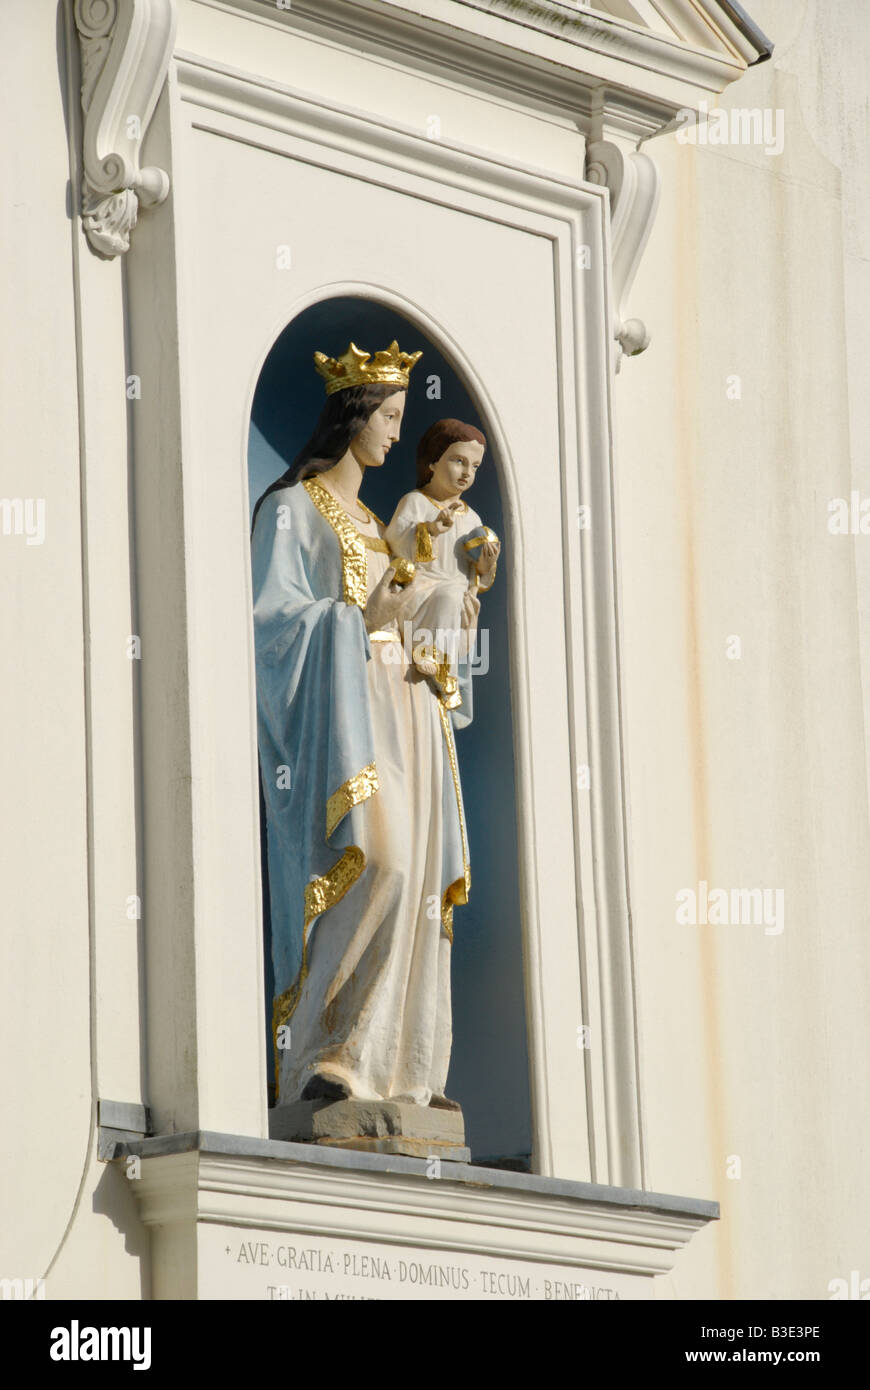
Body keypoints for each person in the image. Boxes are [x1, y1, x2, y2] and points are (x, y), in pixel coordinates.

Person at [251, 342, 479, 1111]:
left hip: (403, 710)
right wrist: (361, 615)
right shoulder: (291, 509)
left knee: (412, 877)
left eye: (398, 420)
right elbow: (273, 623)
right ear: (352, 417)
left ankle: (396, 1071)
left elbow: (413, 623)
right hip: (342, 718)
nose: (392, 436)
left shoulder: (384, 525)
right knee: (375, 860)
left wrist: (453, 599)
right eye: (386, 418)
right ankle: (319, 1055)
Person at [384, 419, 500, 710]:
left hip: (458, 600)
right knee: (448, 595)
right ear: (433, 462)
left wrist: (485, 566)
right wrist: (431, 530)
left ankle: (445, 668)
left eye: (474, 466)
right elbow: (395, 541)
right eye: (458, 461)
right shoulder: (416, 502)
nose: (466, 473)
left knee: (456, 598)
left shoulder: (472, 519)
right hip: (422, 591)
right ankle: (431, 656)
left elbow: (477, 577)